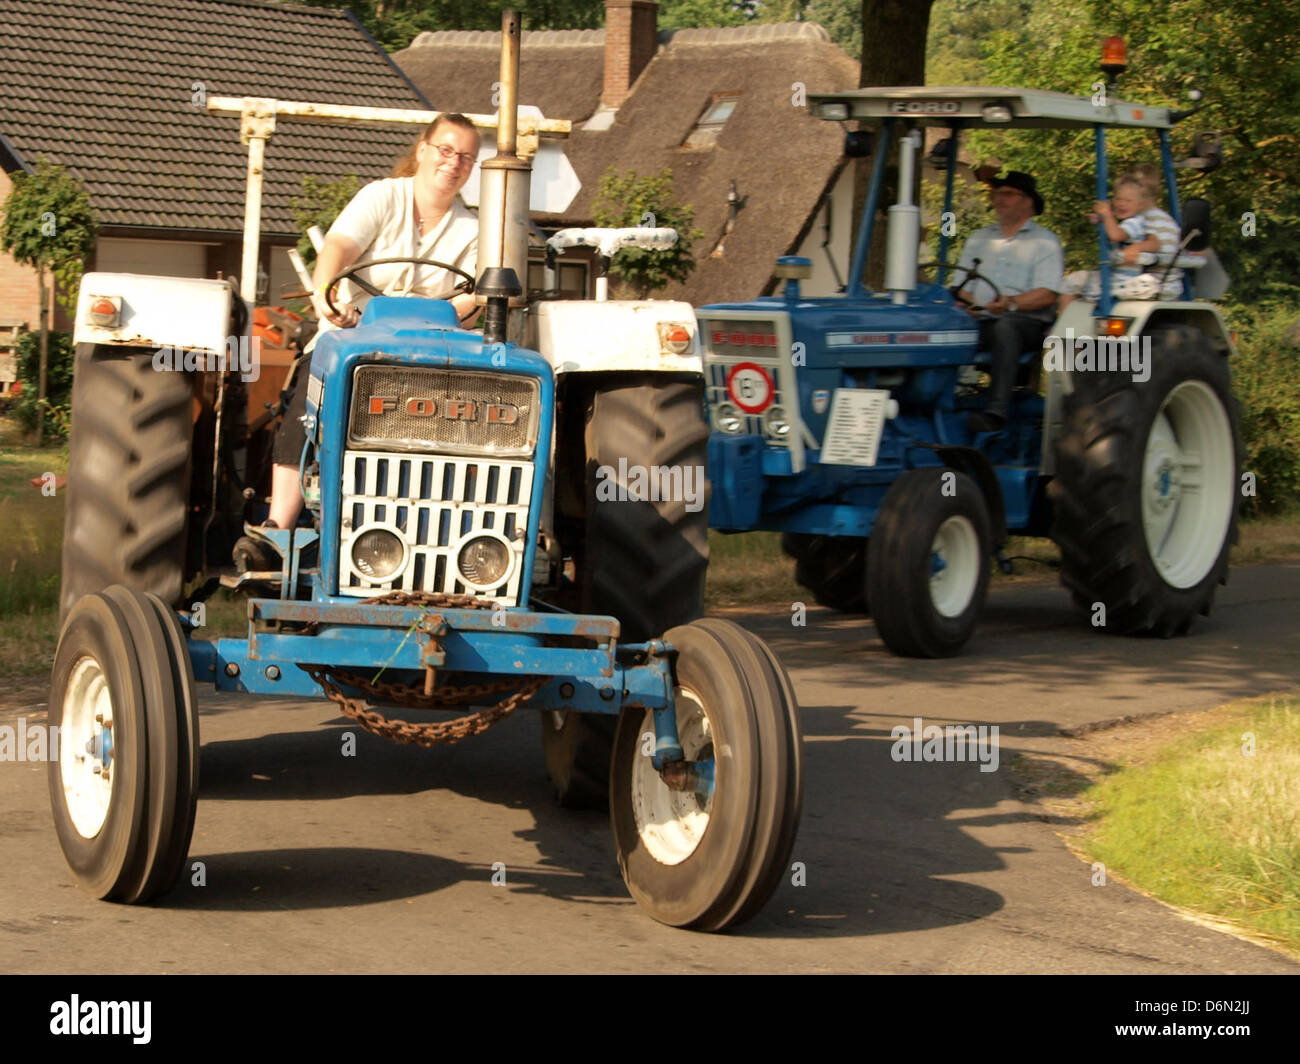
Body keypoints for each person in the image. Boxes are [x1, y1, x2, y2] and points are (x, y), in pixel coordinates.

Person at [233, 113, 482, 573]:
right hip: (352, 334)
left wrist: (451, 314)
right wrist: (328, 294)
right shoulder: (382, 196)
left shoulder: (470, 230)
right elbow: (338, 250)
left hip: (427, 349)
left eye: (466, 157)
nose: (454, 163)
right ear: (424, 150)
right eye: (446, 150)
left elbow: (473, 298)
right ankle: (279, 523)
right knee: (314, 385)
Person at [955, 171, 1064, 434]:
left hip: (1027, 322)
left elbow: (1048, 293)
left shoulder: (1044, 242)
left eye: (1008, 193)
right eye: (997, 193)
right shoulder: (979, 238)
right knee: (940, 326)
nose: (1000, 198)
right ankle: (940, 402)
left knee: (1006, 327)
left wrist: (1010, 303)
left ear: (1028, 202)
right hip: (981, 319)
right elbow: (959, 285)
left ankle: (996, 413)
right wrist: (968, 304)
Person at [1059, 168, 1182, 308]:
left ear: (1141, 204)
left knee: (1071, 283)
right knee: (1077, 290)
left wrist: (1106, 215)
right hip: (1119, 276)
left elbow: (1116, 235)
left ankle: (1066, 330)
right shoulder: (1138, 221)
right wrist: (1102, 219)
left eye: (1128, 200)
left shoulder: (1135, 222)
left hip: (1119, 281)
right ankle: (1070, 329)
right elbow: (1151, 241)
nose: (1121, 204)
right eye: (1118, 199)